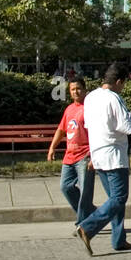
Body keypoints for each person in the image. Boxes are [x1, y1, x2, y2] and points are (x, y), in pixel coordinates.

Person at [76, 63, 131, 255]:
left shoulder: (91, 97)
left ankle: (119, 239)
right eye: (123, 84)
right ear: (118, 81)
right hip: (114, 155)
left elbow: (88, 124)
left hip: (97, 153)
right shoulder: (114, 98)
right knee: (119, 197)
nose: (123, 87)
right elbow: (127, 127)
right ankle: (87, 227)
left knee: (114, 200)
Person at [47, 77, 96, 232]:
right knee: (65, 187)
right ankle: (93, 214)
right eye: (73, 89)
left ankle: (82, 225)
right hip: (70, 155)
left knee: (85, 192)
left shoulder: (90, 108)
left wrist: (94, 155)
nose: (76, 91)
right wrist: (52, 147)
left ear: (85, 90)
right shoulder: (69, 109)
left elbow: (96, 132)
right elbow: (61, 130)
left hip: (85, 155)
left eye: (79, 88)